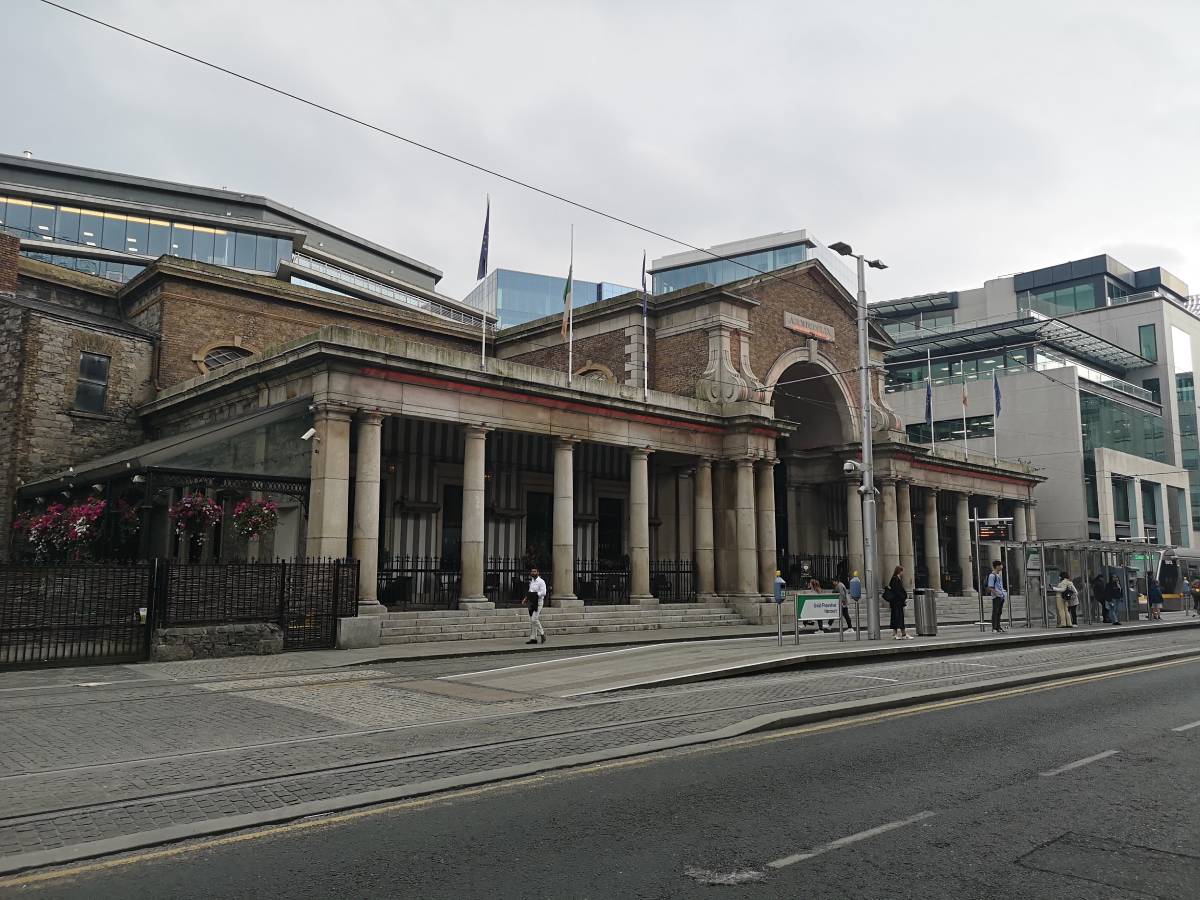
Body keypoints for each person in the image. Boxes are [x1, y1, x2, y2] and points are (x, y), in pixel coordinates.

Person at [886, 565, 912, 640]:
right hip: (896, 602)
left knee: (898, 617)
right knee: (897, 617)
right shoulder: (895, 579)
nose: (903, 573)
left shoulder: (896, 579)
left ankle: (901, 634)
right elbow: (897, 591)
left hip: (897, 602)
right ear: (899, 571)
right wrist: (903, 597)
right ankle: (898, 634)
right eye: (902, 571)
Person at [522, 566, 547, 645]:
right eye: (532, 571)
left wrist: (535, 595)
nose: (533, 573)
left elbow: (544, 592)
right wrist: (526, 598)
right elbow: (530, 591)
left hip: (538, 602)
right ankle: (533, 638)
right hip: (531, 602)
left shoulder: (541, 581)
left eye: (534, 571)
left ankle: (542, 634)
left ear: (538, 572)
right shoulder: (532, 581)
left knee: (534, 619)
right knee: (531, 621)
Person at [986, 560, 1007, 633]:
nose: (1002, 566)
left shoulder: (999, 575)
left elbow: (1000, 586)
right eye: (1001, 565)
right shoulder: (992, 575)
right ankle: (994, 627)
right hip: (996, 596)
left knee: (999, 612)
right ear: (997, 566)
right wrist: (996, 594)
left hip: (1001, 596)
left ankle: (998, 627)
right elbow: (990, 587)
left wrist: (1003, 593)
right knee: (995, 612)